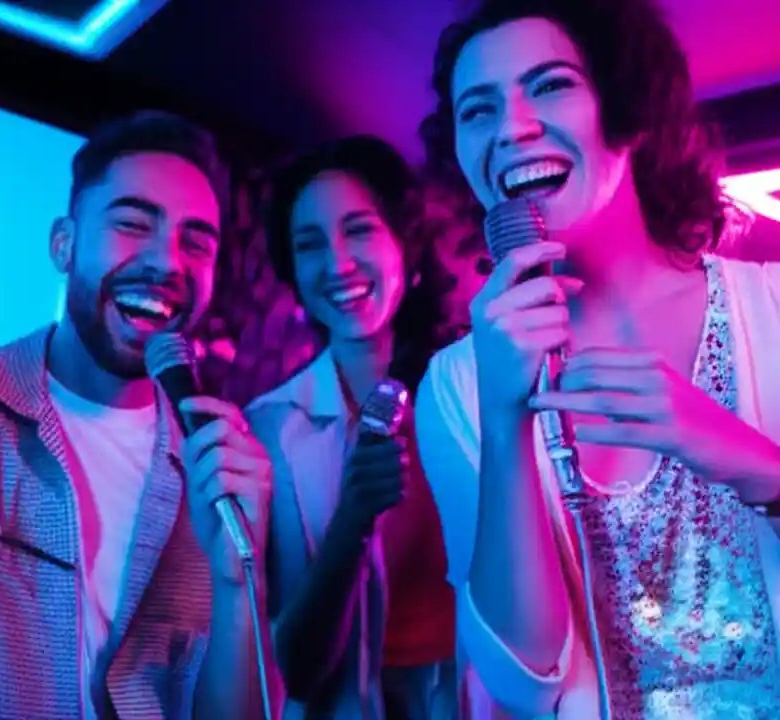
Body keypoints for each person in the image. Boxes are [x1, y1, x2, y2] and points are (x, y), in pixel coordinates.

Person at [413, 0, 780, 716]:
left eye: (550, 85)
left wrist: (753, 463)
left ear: (629, 110)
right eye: (477, 110)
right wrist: (504, 419)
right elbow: (527, 679)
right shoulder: (454, 386)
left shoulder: (772, 308)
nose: (512, 129)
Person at [0, 111, 275, 719]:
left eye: (196, 242)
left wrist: (238, 583)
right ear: (63, 243)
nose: (167, 262)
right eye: (134, 224)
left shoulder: (215, 458)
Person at [245, 136, 459, 719]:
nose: (336, 263)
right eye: (309, 244)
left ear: (405, 244)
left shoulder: (472, 391)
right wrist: (353, 518)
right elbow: (295, 668)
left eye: (359, 230)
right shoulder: (271, 429)